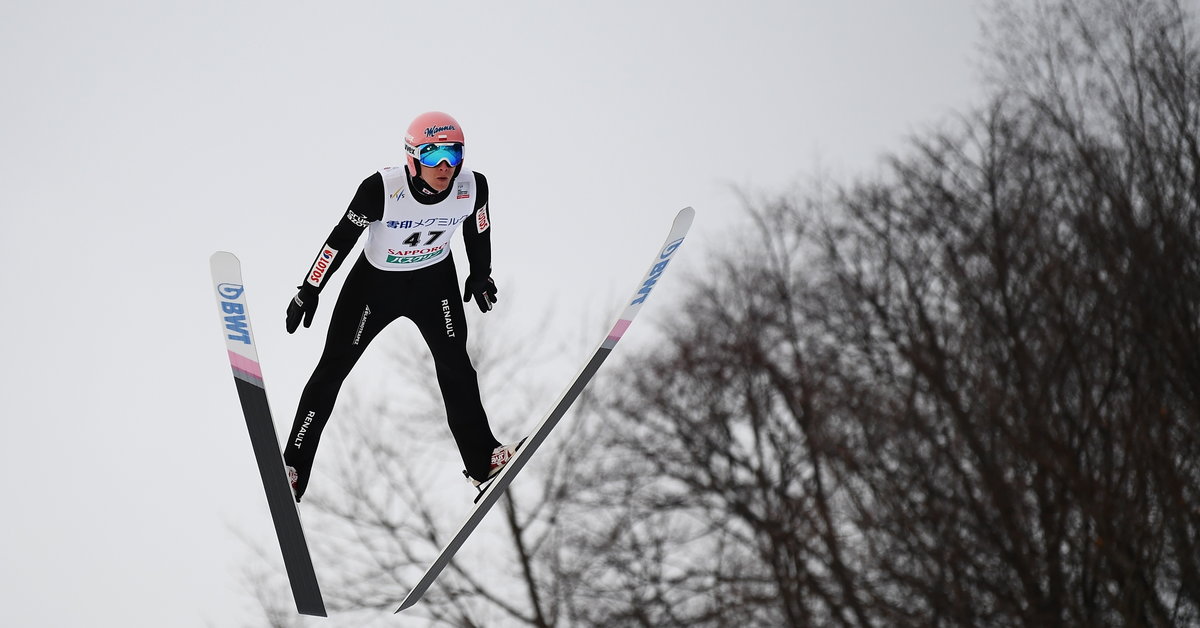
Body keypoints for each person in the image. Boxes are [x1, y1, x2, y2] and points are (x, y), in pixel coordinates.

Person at [281, 111, 517, 502]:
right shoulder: (380, 190)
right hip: (374, 288)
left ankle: (483, 461)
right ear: (412, 158)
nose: (444, 166)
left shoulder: (473, 187)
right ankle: (292, 468)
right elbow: (340, 238)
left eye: (453, 155)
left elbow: (479, 229)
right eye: (432, 155)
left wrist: (480, 274)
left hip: (434, 283)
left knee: (456, 365)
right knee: (332, 369)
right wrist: (310, 287)